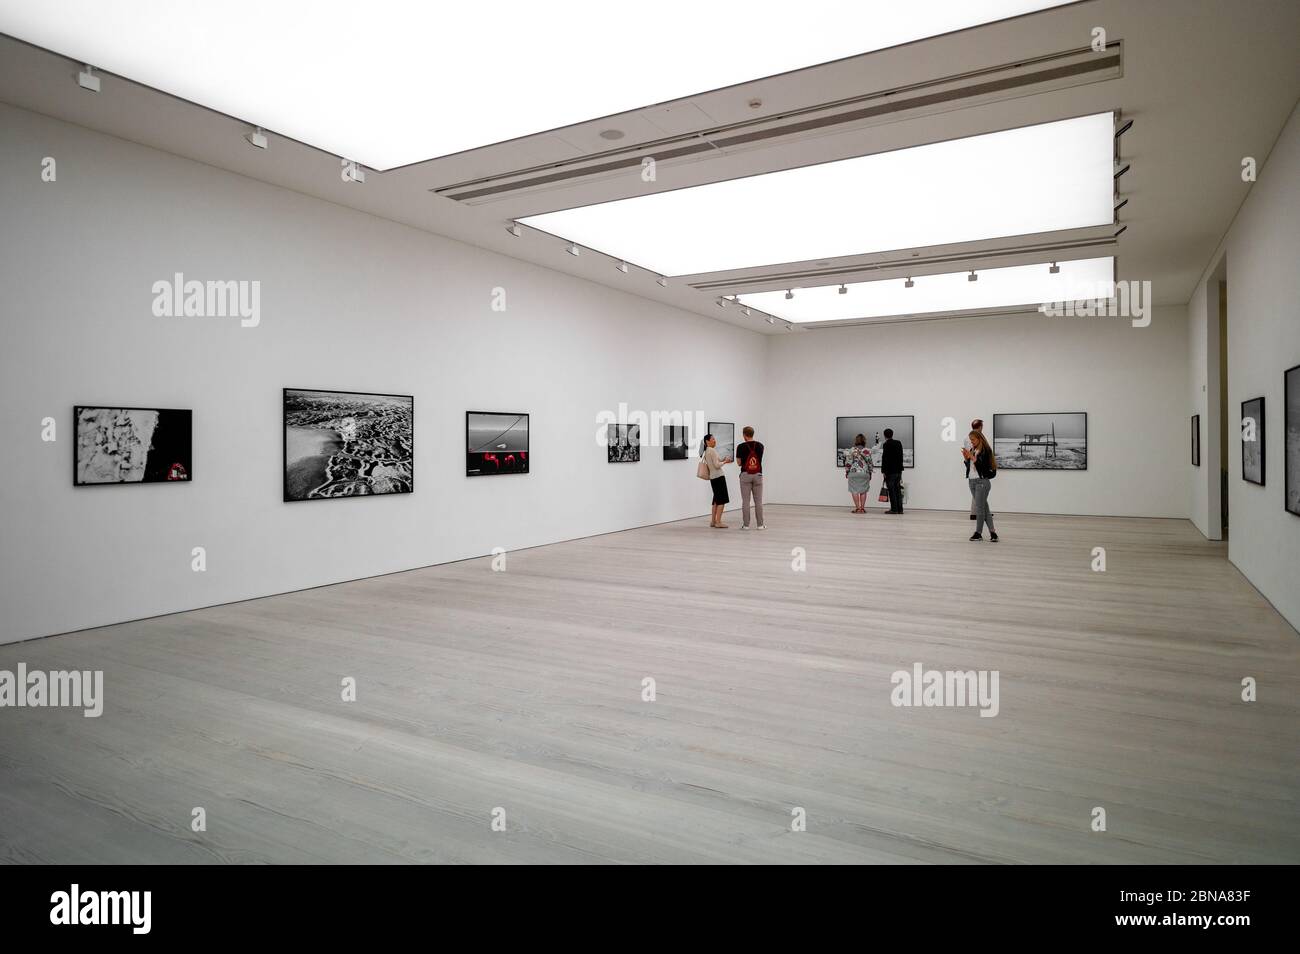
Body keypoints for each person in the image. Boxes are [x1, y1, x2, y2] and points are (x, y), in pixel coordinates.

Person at [967, 430, 999, 542]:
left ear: (979, 439)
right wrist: (966, 459)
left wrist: (974, 459)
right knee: (985, 508)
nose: (971, 442)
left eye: (973, 440)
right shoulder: (973, 450)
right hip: (972, 481)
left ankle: (978, 533)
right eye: (970, 440)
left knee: (980, 508)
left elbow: (984, 469)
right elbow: (971, 468)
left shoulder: (986, 451)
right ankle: (993, 533)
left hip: (981, 482)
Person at [734, 426, 765, 530]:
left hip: (745, 475)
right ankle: (760, 525)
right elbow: (759, 460)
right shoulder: (761, 446)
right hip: (758, 475)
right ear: (753, 434)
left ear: (744, 435)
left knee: (746, 501)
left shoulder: (740, 447)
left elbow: (738, 463)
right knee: (758, 502)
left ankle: (746, 525)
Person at [701, 433, 733, 528]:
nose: (715, 440)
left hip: (713, 478)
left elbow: (716, 462)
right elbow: (717, 465)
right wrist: (725, 462)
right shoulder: (712, 450)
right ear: (707, 441)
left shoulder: (707, 451)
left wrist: (723, 460)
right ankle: (718, 522)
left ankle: (713, 521)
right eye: (713, 439)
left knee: (716, 500)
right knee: (721, 501)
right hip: (719, 477)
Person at [960, 418, 986, 521]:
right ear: (980, 427)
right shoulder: (977, 438)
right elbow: (975, 453)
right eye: (982, 427)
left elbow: (966, 454)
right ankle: (978, 513)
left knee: (977, 491)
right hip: (976, 466)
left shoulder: (967, 438)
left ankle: (977, 512)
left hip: (972, 466)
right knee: (978, 491)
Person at [844, 433, 873, 513]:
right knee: (863, 491)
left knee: (854, 490)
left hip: (853, 473)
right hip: (864, 473)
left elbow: (848, 463)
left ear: (856, 441)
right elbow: (870, 463)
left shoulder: (851, 450)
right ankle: (862, 508)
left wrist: (847, 471)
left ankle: (857, 508)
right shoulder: (867, 451)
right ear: (864, 441)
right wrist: (870, 473)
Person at [881, 427, 904, 514]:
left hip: (890, 472)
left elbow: (885, 459)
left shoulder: (886, 444)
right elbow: (901, 457)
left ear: (884, 435)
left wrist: (883, 471)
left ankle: (894, 509)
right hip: (898, 471)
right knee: (897, 490)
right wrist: (901, 469)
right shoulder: (898, 443)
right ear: (892, 434)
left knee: (892, 490)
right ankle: (900, 509)